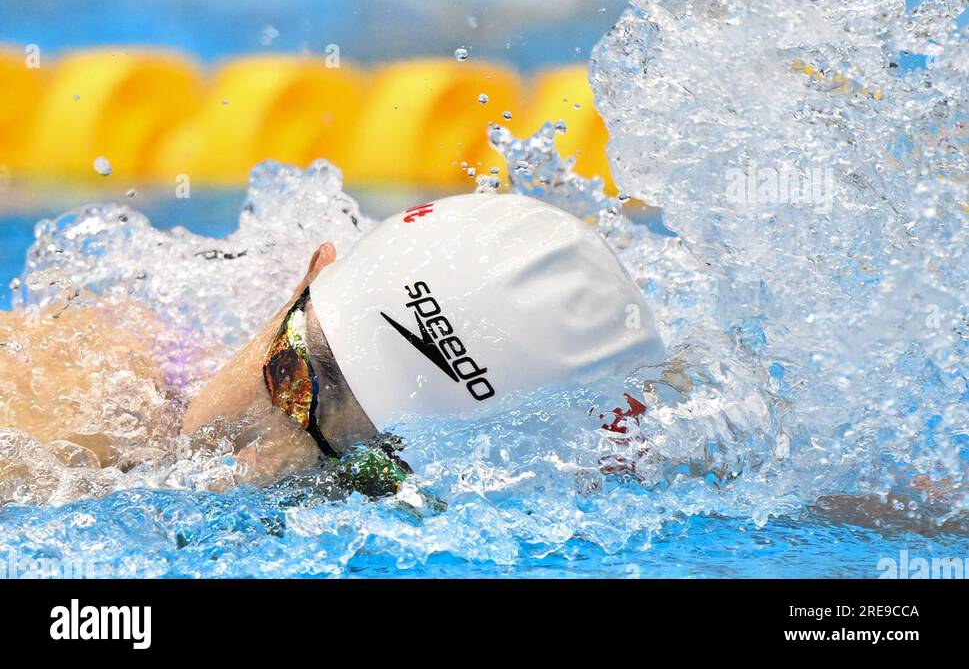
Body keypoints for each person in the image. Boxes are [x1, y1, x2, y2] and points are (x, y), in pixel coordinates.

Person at [0, 192, 668, 499]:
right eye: (289, 375)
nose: (263, 456)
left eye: (360, 472)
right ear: (308, 276)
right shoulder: (79, 406)